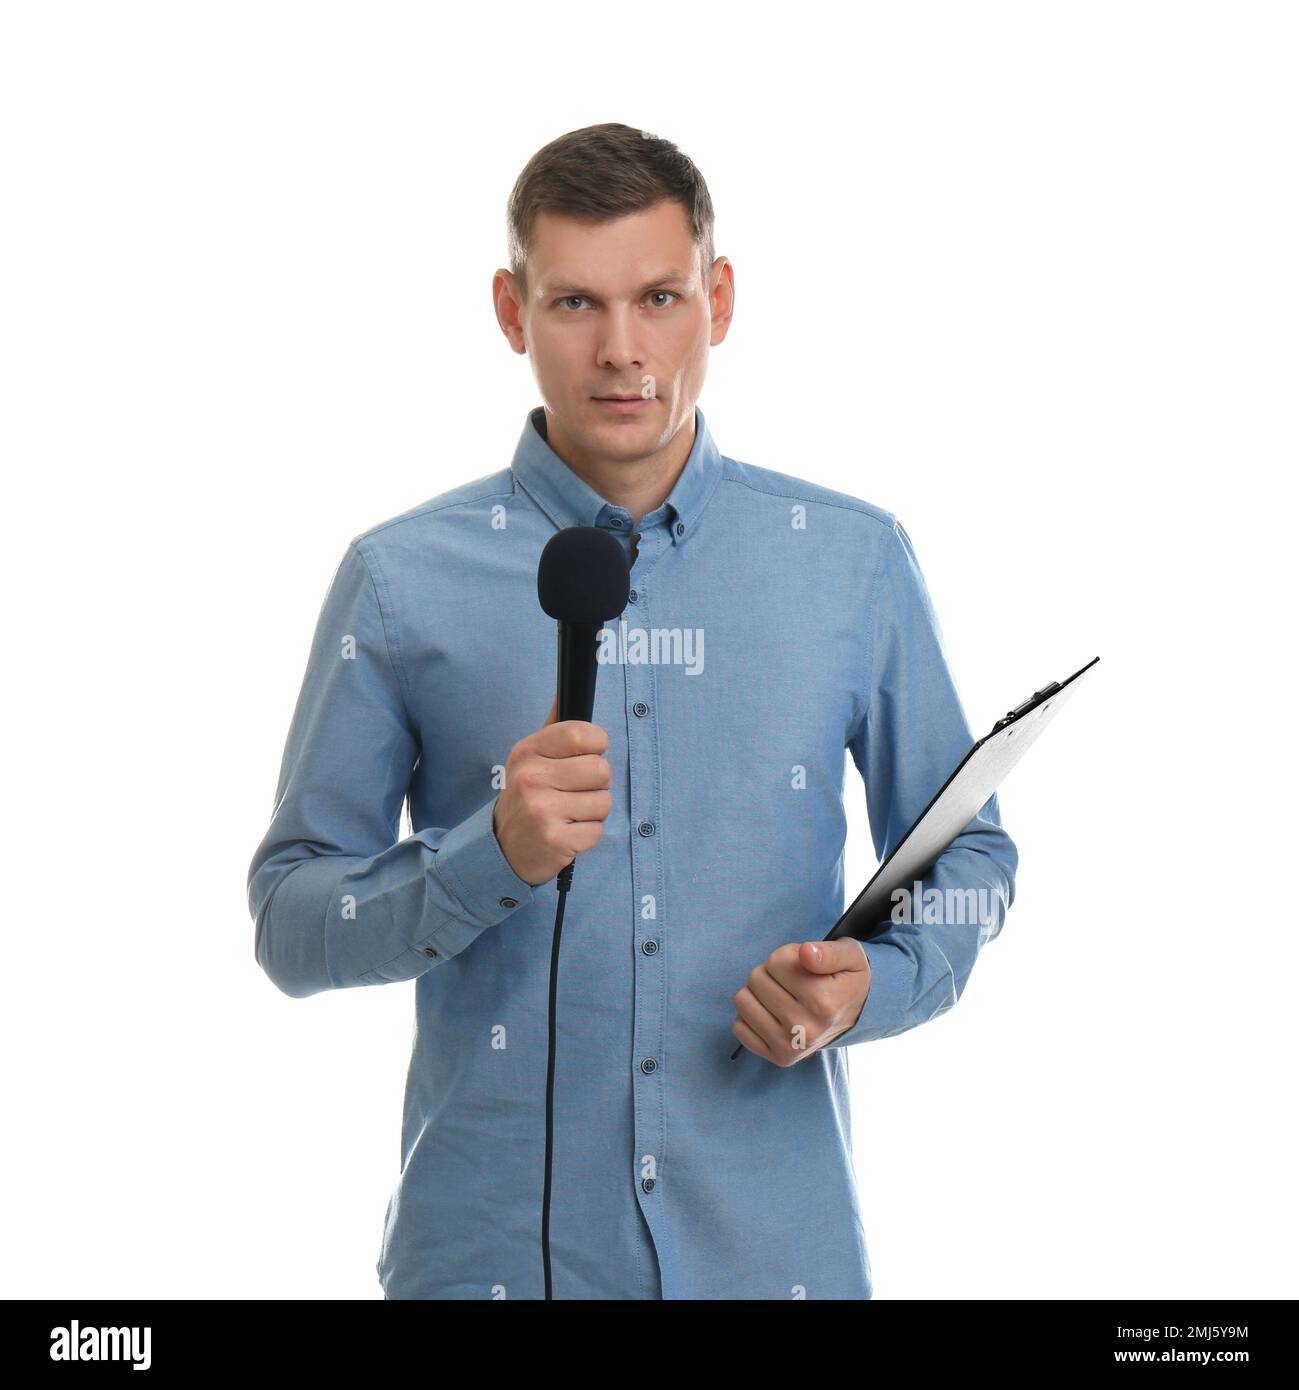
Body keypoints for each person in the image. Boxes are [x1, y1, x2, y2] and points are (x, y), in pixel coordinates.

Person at [246, 122, 1018, 1301]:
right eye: (573, 305)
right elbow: (293, 922)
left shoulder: (853, 563)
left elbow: (971, 850)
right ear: (511, 312)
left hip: (775, 1260)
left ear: (718, 297)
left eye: (658, 296)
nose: (622, 350)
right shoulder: (400, 581)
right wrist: (481, 858)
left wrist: (882, 980)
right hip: (486, 1263)